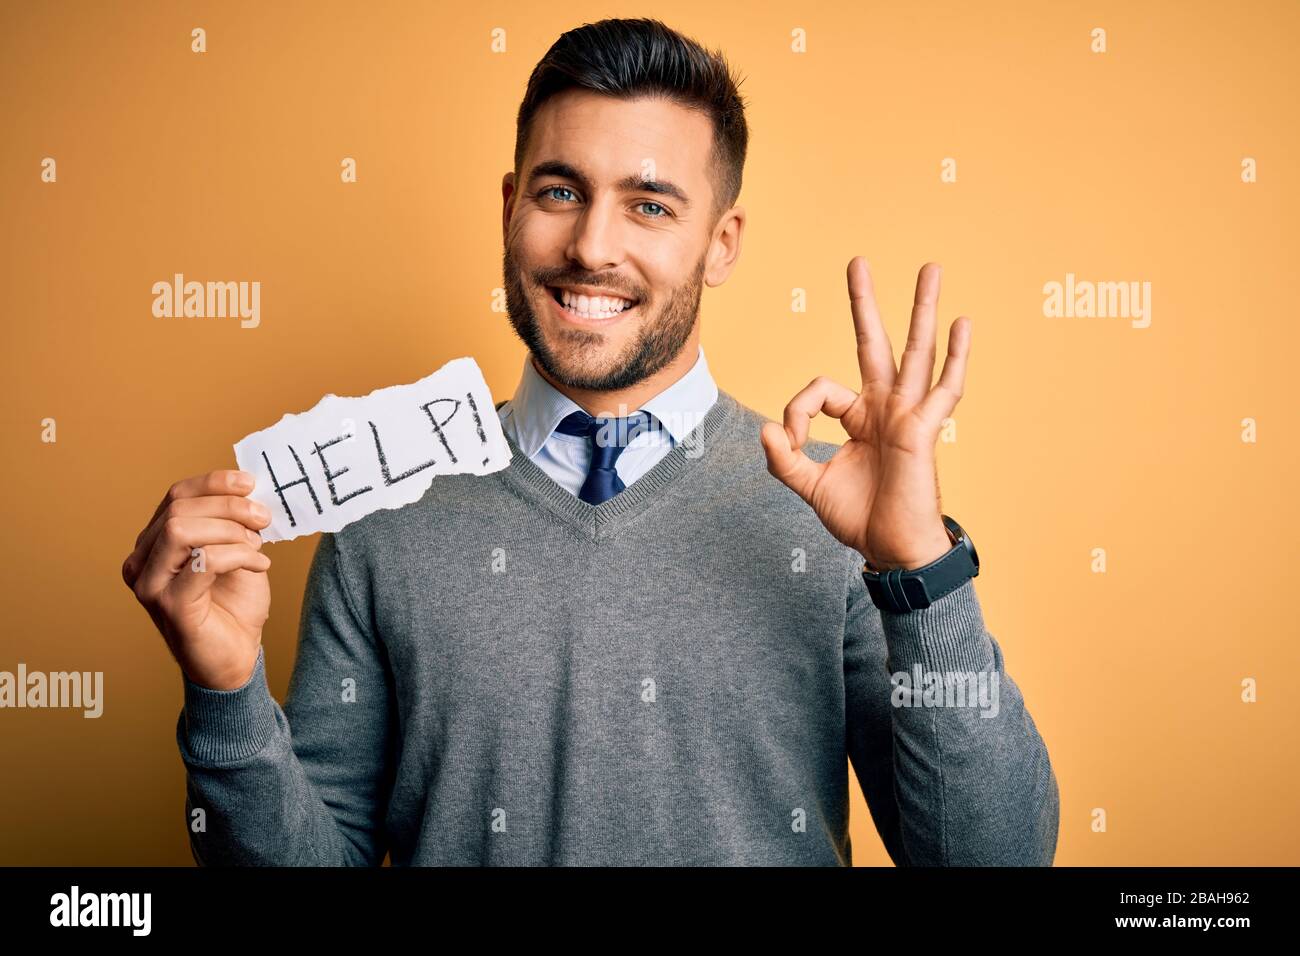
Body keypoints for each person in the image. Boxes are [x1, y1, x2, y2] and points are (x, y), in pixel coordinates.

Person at [122, 17, 1059, 866]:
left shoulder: (833, 521)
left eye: (650, 204)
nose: (592, 246)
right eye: (561, 191)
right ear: (508, 208)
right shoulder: (384, 516)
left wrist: (922, 570)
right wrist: (228, 692)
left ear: (721, 243)